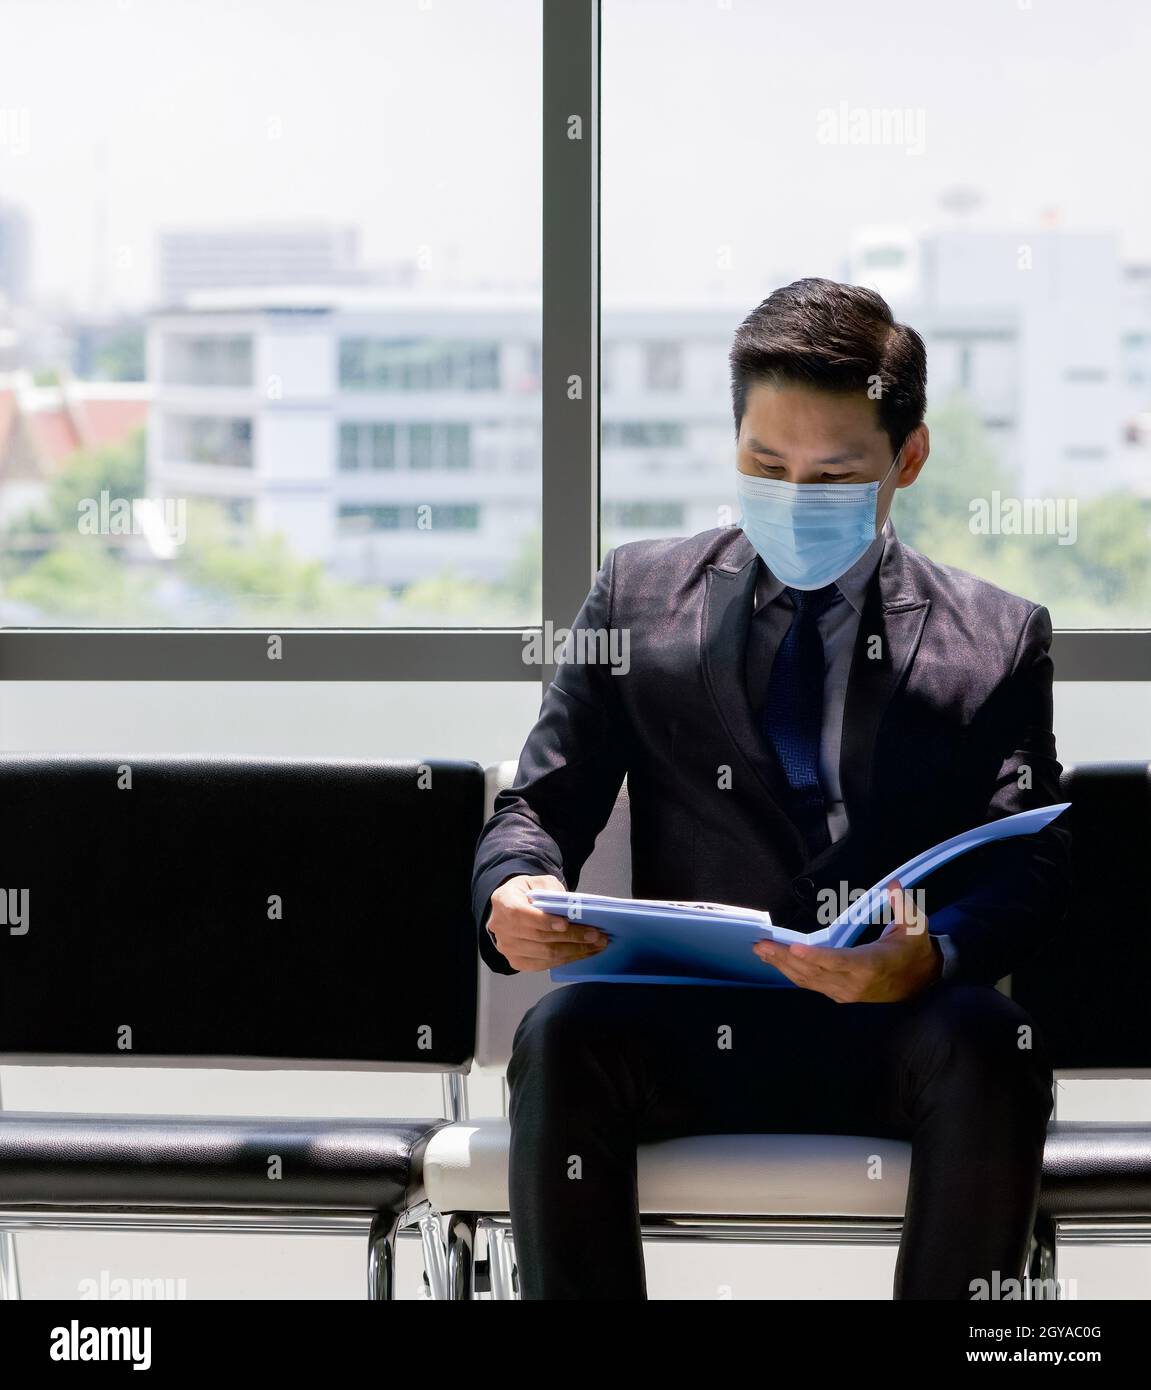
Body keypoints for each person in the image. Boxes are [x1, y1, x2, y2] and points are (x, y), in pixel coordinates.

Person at [472, 278, 1070, 1300]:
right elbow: (537, 803)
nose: (793, 497)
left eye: (833, 474)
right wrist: (514, 890)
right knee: (561, 1033)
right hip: (689, 1026)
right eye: (764, 463)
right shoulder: (637, 597)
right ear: (733, 445)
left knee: (989, 1039)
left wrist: (932, 953)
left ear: (905, 459)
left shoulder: (995, 638)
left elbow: (1026, 860)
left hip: (895, 1031)